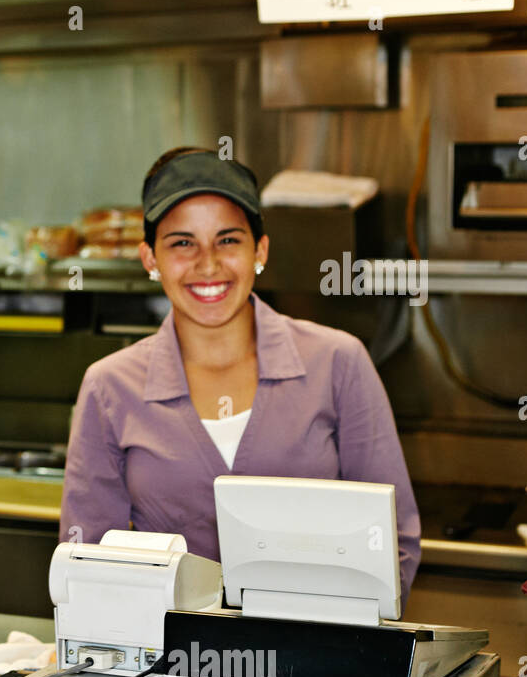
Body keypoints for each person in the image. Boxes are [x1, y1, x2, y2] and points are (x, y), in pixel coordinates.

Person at [60, 147, 420, 604]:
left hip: (318, 665)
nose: (207, 263)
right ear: (150, 258)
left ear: (260, 250)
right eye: (182, 243)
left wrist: (338, 649)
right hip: (168, 667)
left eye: (228, 240)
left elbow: (395, 544)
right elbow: (86, 560)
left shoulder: (337, 362)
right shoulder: (110, 386)